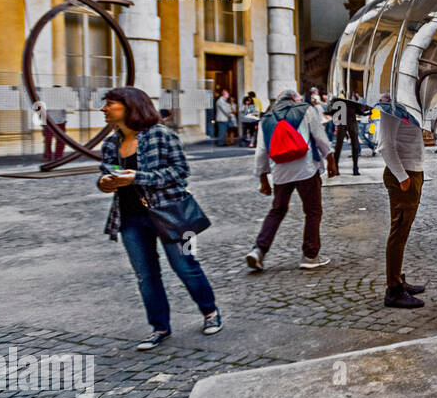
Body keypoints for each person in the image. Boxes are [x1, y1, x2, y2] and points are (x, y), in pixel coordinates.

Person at [97, 87, 220, 350]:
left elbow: (180, 171)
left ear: (130, 107)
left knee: (186, 265)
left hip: (172, 214)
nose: (103, 109)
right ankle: (159, 327)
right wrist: (105, 182)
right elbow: (110, 173)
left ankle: (210, 312)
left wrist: (137, 177)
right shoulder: (110, 144)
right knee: (145, 275)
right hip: (130, 218)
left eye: (110, 104)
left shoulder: (162, 135)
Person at [246, 89, 332, 271]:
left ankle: (258, 250)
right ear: (295, 98)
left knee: (277, 210)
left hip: (280, 170)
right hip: (305, 167)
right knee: (313, 211)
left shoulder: (267, 118)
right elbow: (320, 137)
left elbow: (261, 151)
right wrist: (331, 160)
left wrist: (263, 179)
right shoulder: (305, 110)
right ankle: (310, 256)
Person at [378, 94, 427, 308]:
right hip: (404, 174)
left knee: (403, 230)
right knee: (398, 231)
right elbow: (384, 145)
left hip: (413, 171)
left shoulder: (408, 102)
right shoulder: (390, 104)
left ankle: (397, 278)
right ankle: (394, 289)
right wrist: (402, 176)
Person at [328, 92, 372, 176]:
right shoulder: (347, 99)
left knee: (344, 145)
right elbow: (360, 110)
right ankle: (350, 168)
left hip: (346, 121)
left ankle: (352, 167)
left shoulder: (342, 99)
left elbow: (360, 110)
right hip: (348, 121)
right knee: (343, 145)